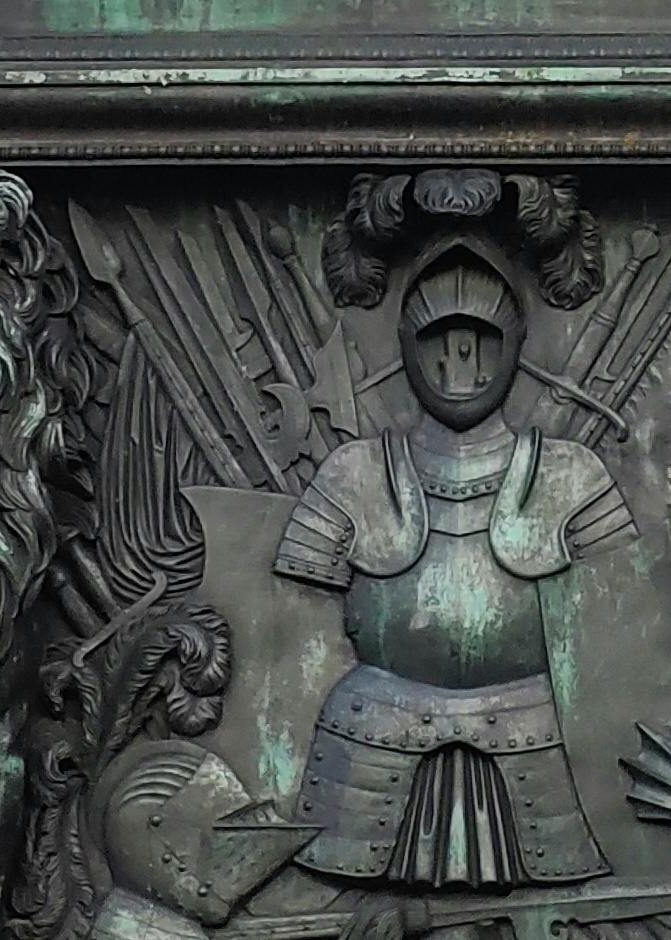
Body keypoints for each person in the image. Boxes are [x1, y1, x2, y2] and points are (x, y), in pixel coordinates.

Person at [277, 236, 630, 923]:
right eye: (442, 340)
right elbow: (288, 639)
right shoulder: (353, 475)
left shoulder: (574, 476)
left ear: (514, 346)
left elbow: (625, 637)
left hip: (541, 739)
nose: (460, 362)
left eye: (479, 341)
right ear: (410, 347)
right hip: (370, 737)